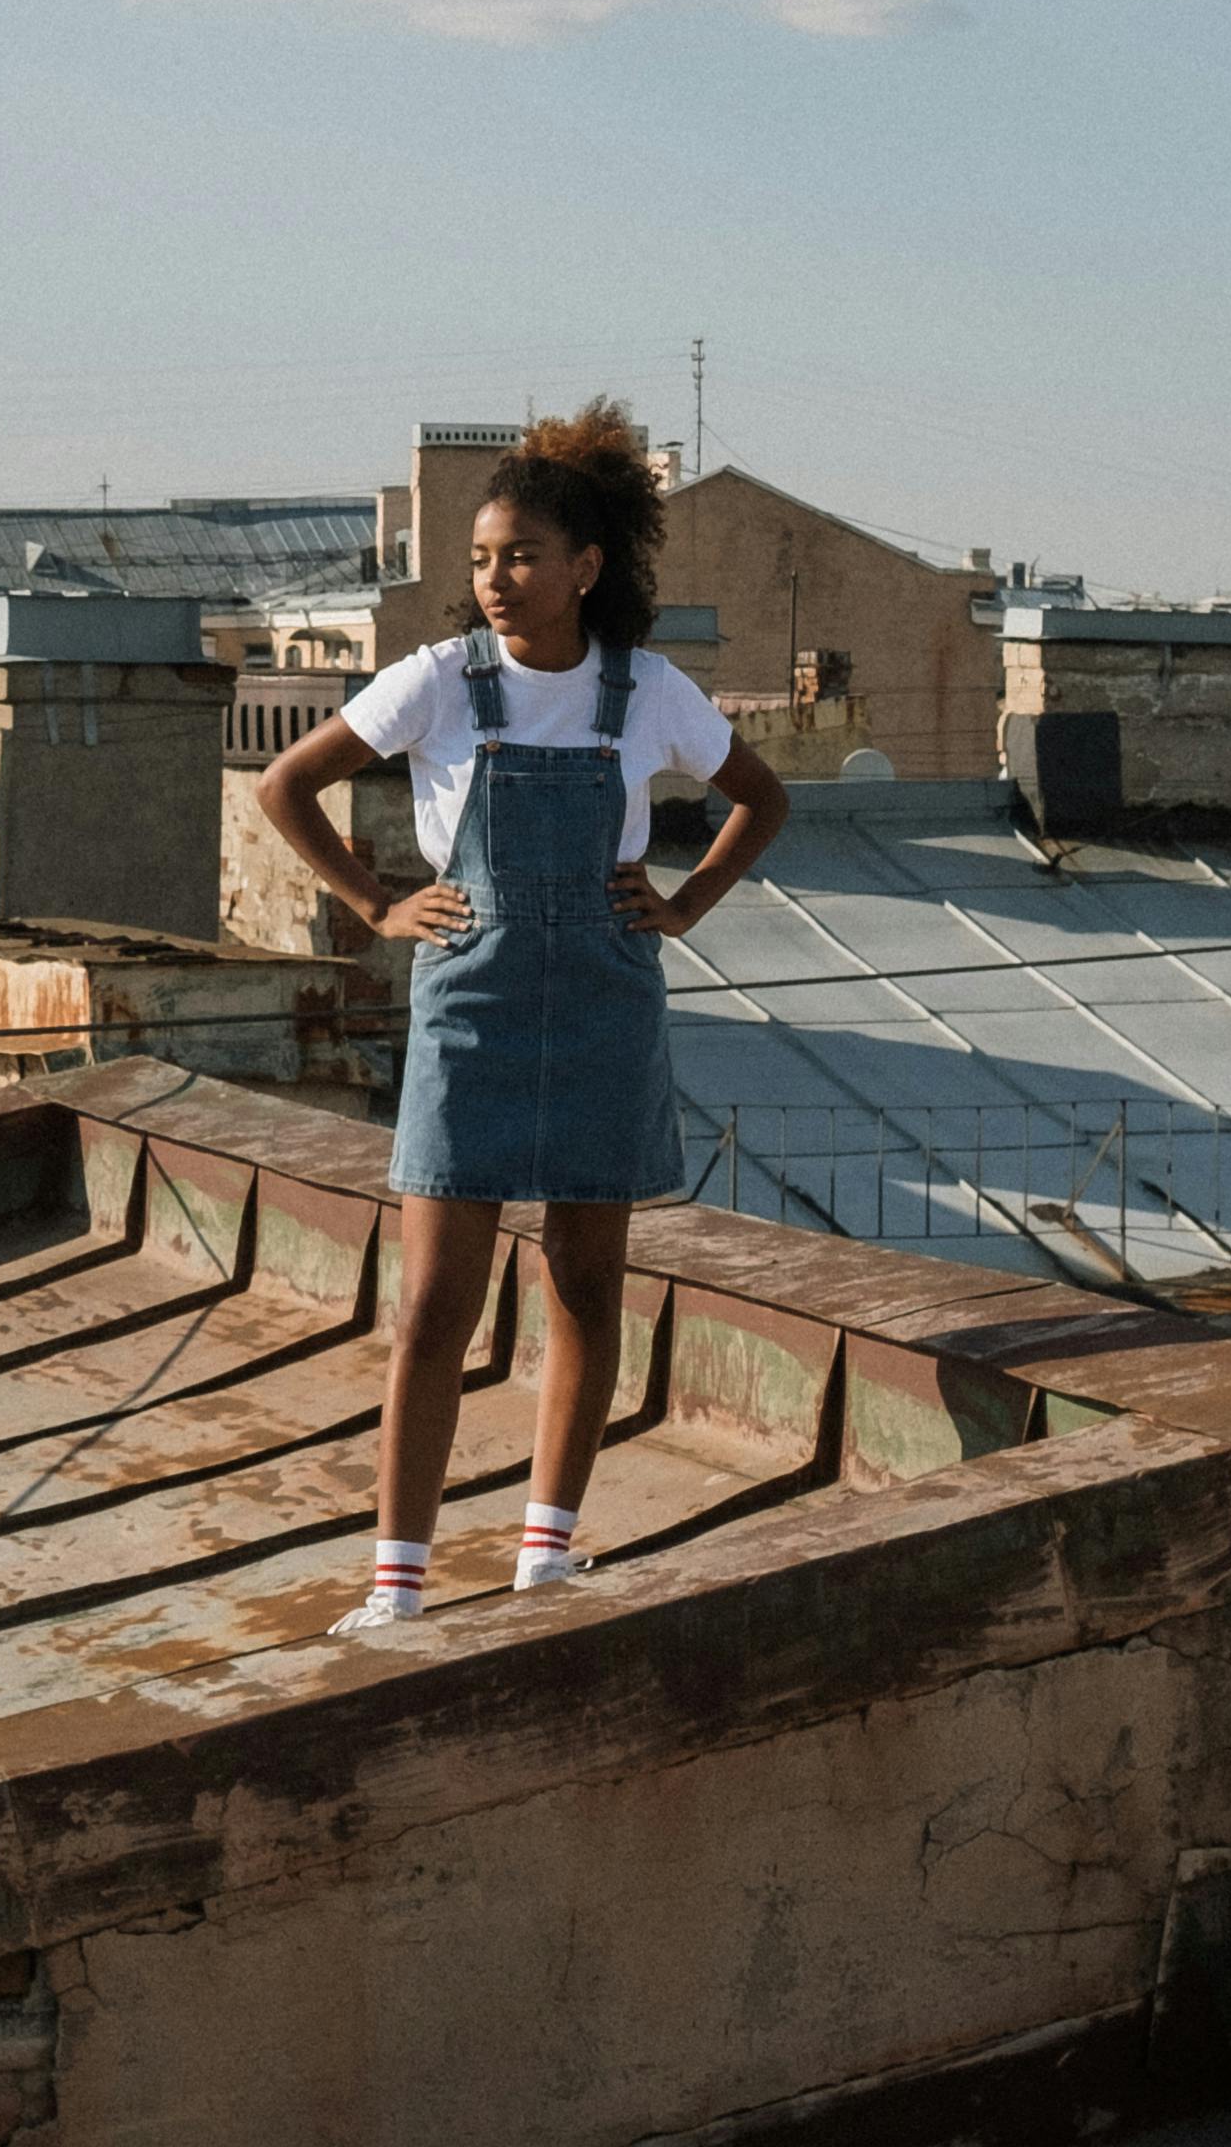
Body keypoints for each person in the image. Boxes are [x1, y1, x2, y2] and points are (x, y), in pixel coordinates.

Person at [245, 400, 787, 1632]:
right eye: (484, 558)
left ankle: (547, 1549)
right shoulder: (437, 681)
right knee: (437, 1300)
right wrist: (377, 902)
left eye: (523, 556)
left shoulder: (646, 689)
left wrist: (685, 903)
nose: (496, 579)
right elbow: (287, 784)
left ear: (586, 568)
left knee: (586, 1288)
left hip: (604, 997)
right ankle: (398, 1581)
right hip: (471, 1000)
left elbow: (761, 796)